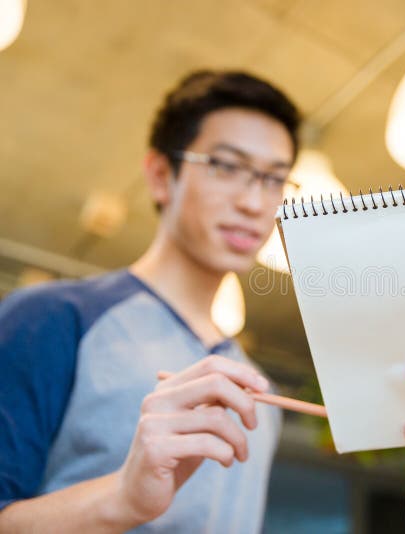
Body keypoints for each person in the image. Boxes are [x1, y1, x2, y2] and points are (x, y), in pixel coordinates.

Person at [0, 70, 300, 532]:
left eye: (275, 180)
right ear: (161, 175)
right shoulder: (50, 318)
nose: (255, 203)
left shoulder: (259, 390)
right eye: (226, 166)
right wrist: (121, 498)